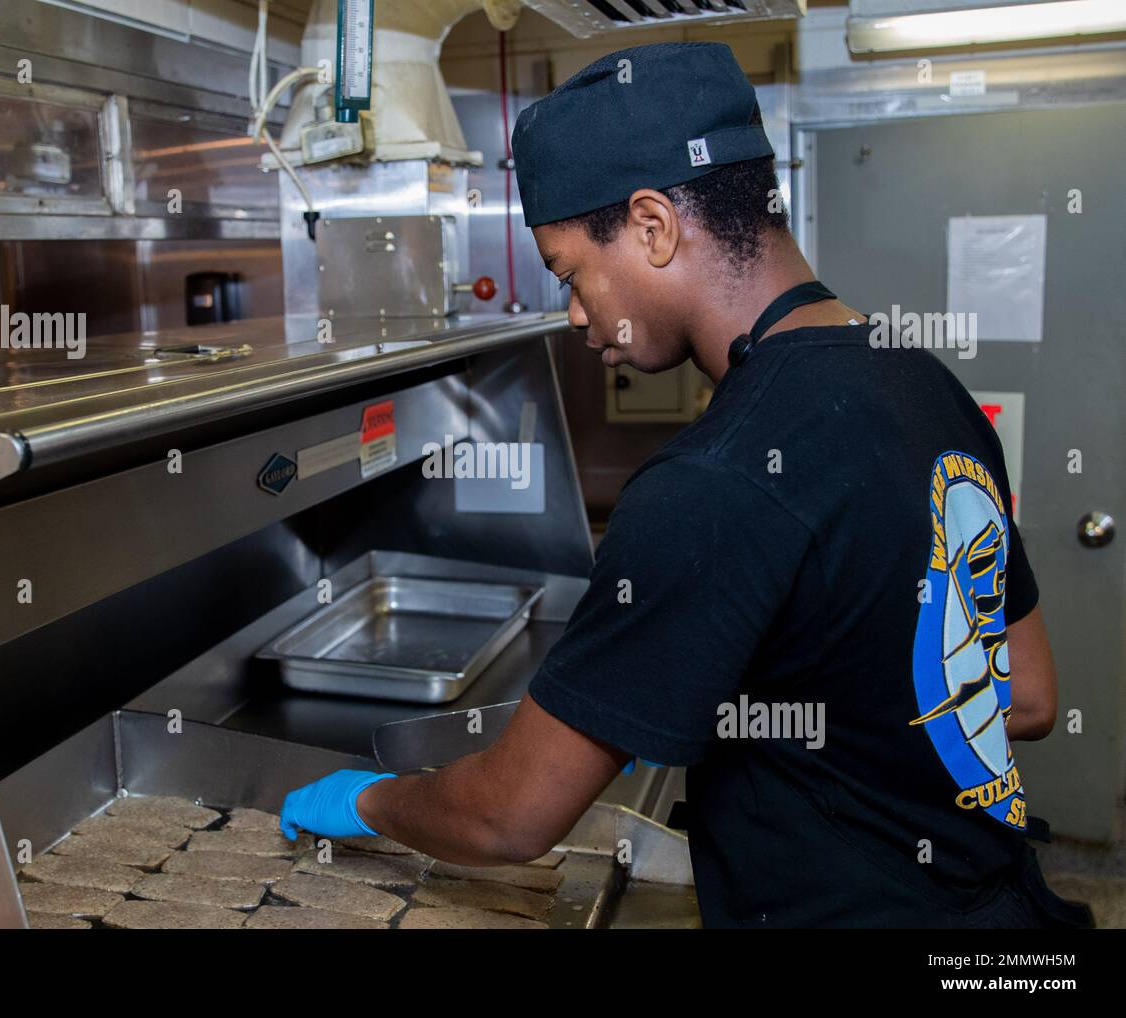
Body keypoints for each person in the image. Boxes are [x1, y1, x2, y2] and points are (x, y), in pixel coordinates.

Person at [279, 41, 1088, 928]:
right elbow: (1032, 694)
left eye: (571, 274)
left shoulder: (711, 478)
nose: (578, 316)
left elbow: (507, 816)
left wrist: (370, 803)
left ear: (655, 225)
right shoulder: (924, 384)